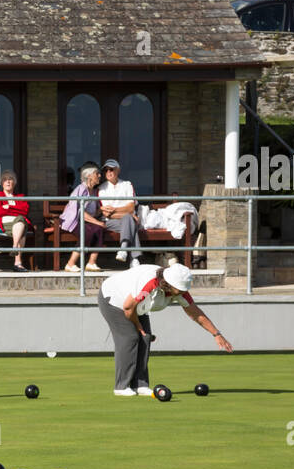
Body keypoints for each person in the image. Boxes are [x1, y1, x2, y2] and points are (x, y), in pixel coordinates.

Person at [98, 263, 232, 396]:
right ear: (168, 284)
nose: (182, 292)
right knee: (130, 337)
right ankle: (121, 386)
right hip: (113, 299)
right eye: (179, 289)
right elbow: (128, 308)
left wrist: (216, 334)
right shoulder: (150, 284)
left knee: (146, 337)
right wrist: (138, 326)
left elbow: (195, 313)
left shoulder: (180, 291)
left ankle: (140, 385)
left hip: (136, 305)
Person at [62, 162, 105, 272]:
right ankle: (70, 264)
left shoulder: (93, 191)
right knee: (88, 233)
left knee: (99, 230)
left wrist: (102, 210)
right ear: (89, 176)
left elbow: (92, 213)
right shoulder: (81, 189)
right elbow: (80, 212)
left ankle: (91, 263)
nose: (99, 175)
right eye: (97, 173)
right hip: (73, 221)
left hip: (85, 221)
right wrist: (97, 222)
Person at [97, 159, 141, 265]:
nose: (108, 172)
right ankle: (134, 258)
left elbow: (131, 207)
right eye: (106, 170)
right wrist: (128, 214)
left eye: (111, 169)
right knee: (130, 222)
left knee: (129, 221)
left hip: (122, 220)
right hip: (110, 222)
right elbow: (107, 214)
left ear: (118, 170)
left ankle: (123, 250)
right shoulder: (101, 189)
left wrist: (116, 210)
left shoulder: (127, 184)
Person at [0, 170, 31, 272]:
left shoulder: (20, 197)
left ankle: (14, 247)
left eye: (10, 179)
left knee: (20, 220)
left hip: (19, 223)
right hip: (5, 224)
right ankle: (17, 263)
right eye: (5, 180)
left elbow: (25, 210)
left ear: (14, 182)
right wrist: (15, 208)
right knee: (21, 228)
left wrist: (7, 208)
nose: (8, 182)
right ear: (2, 183)